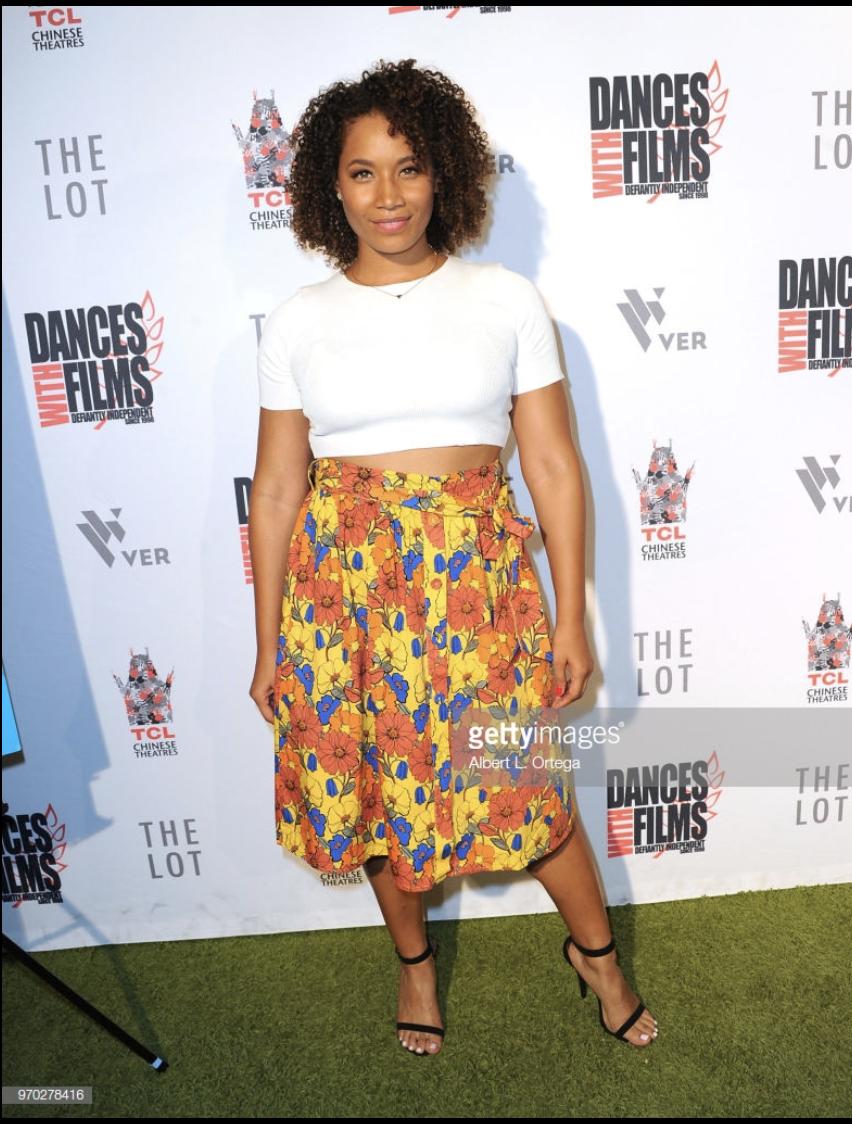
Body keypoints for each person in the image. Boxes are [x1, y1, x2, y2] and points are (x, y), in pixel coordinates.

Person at [248, 58, 658, 1057]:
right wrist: (270, 646)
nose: (386, 195)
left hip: (479, 585)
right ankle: (415, 966)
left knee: (527, 790)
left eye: (408, 168)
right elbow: (277, 489)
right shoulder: (299, 319)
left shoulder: (507, 298)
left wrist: (572, 614)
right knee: (384, 802)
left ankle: (597, 955)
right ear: (326, 185)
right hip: (344, 595)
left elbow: (555, 465)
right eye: (361, 172)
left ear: (446, 176)